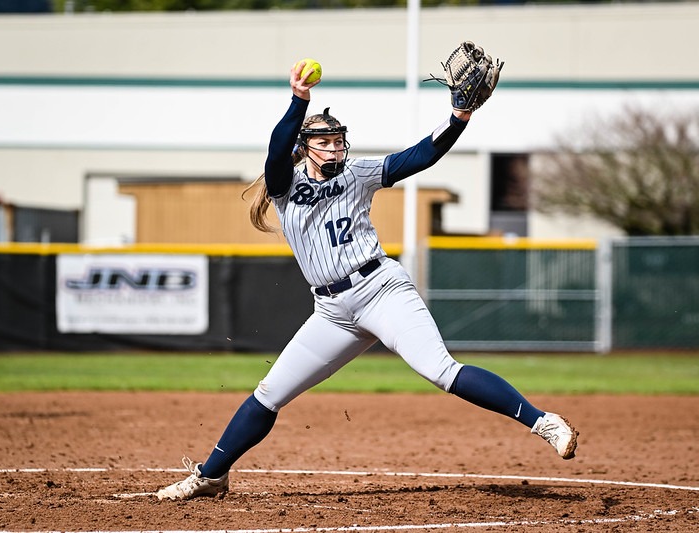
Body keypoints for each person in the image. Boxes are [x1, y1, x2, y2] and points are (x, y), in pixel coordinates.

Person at [156, 61, 579, 501]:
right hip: (332, 311)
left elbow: (420, 155)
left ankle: (543, 421)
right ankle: (211, 475)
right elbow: (277, 149)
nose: (334, 149)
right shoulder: (285, 184)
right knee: (269, 393)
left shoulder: (358, 174)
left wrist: (459, 118)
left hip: (380, 290)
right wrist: (299, 100)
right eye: (323, 142)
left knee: (441, 370)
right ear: (305, 147)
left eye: (338, 141)